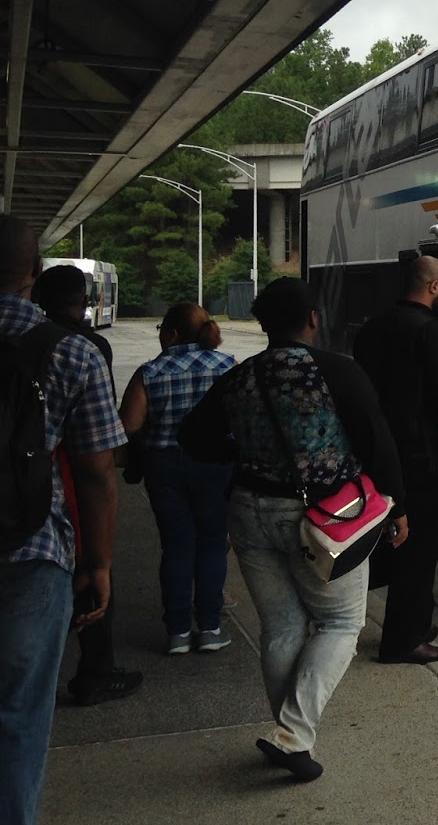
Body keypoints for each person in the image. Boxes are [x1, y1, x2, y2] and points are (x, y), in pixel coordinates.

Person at [180, 278, 406, 783]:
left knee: (281, 625)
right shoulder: (338, 372)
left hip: (248, 509)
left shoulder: (240, 377)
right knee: (341, 625)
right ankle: (294, 734)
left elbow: (192, 436)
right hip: (322, 519)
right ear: (312, 318)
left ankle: (289, 735)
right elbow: (377, 439)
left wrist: (240, 456)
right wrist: (398, 506)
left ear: (262, 323)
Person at [0, 216, 125, 825]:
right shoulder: (70, 351)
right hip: (32, 554)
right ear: (31, 273)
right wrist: (98, 563)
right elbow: (99, 470)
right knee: (19, 719)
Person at [30, 263, 141, 705]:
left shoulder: (20, 339)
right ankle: (95, 670)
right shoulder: (85, 347)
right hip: (66, 486)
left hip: (22, 487)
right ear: (85, 301)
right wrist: (101, 556)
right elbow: (97, 459)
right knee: (91, 576)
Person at [352, 256, 438, 665]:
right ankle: (404, 639)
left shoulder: (371, 329)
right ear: (433, 287)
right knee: (421, 549)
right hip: (424, 457)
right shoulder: (435, 333)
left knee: (390, 542)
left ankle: (417, 621)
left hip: (381, 453)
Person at [119, 302, 236, 655]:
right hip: (216, 466)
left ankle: (179, 633)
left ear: (170, 334)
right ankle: (211, 627)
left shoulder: (150, 372)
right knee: (214, 542)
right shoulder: (227, 366)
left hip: (165, 468)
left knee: (177, 545)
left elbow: (129, 424)